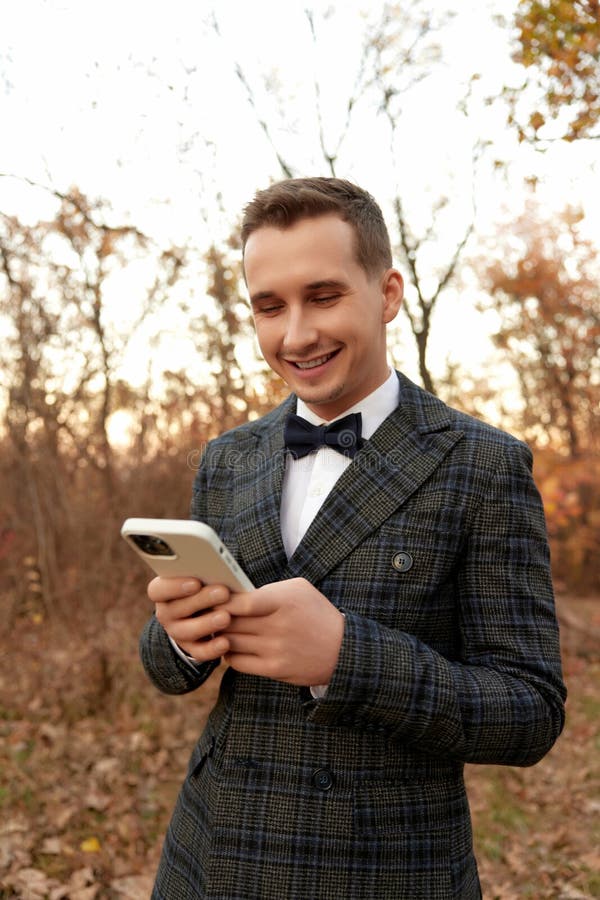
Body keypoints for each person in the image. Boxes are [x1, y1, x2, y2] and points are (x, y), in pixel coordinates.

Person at [139, 177, 566, 899]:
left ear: (388, 294)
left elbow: (530, 711)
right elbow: (166, 667)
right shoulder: (227, 458)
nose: (296, 334)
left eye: (324, 296)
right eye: (269, 307)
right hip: (210, 859)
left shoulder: (483, 464)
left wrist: (347, 659)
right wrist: (177, 636)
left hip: (386, 870)